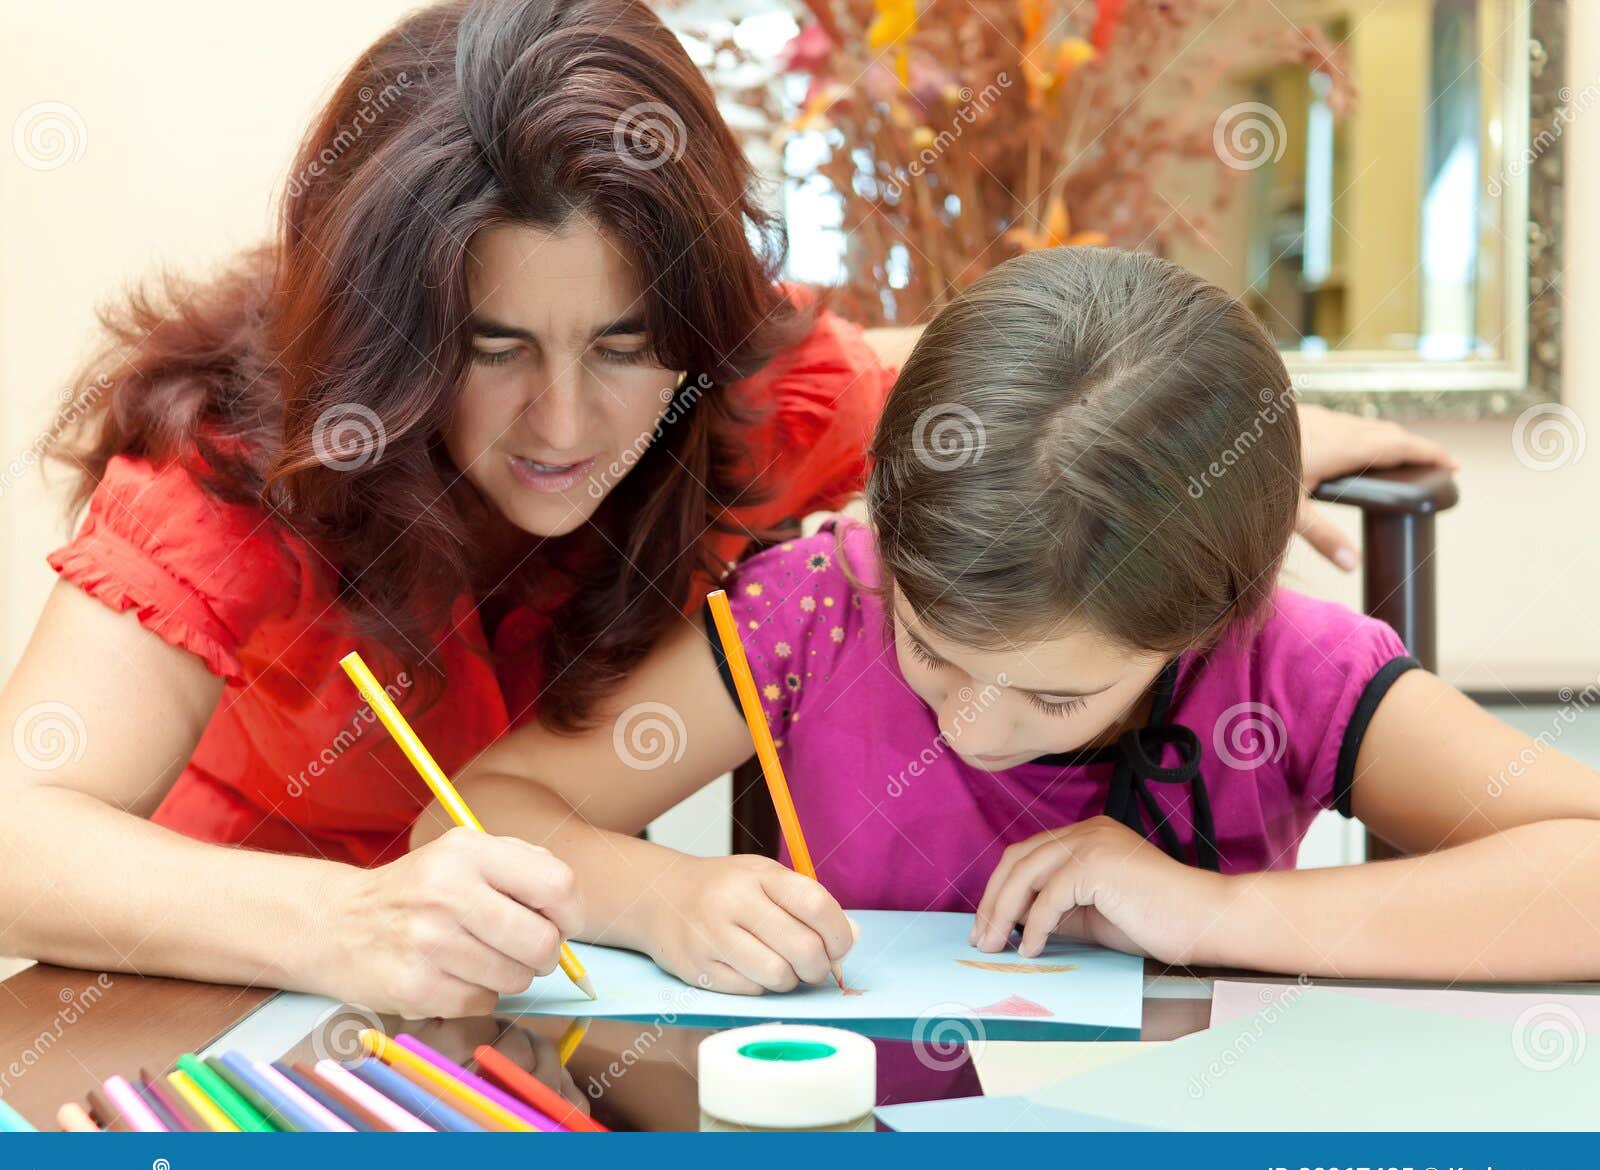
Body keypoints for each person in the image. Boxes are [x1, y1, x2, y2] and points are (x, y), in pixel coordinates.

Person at [0, 0, 1451, 1018]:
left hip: (515, 999)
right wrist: (343, 923)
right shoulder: (245, 469)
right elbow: (20, 839)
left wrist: (1239, 452)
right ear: (391, 336)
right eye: (492, 349)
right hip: (225, 1000)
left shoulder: (746, 396)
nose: (565, 428)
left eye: (625, 345)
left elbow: (1003, 395)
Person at [439, 248, 1600, 992]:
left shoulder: (1284, 670)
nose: (977, 729)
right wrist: (655, 893)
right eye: (932, 651)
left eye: (1055, 695)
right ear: (885, 541)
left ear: (1205, 622)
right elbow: (476, 816)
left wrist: (1211, 911)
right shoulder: (818, 610)